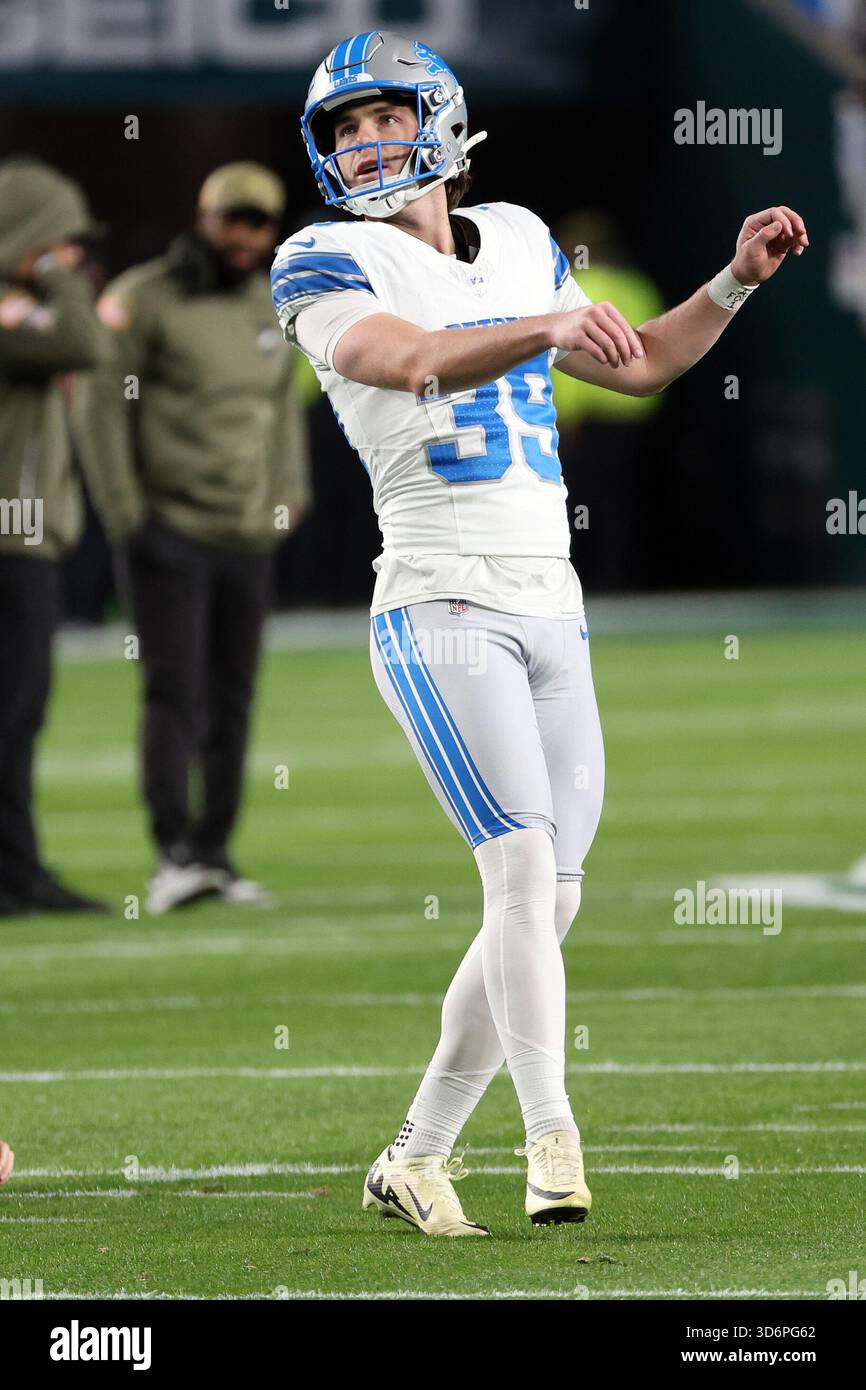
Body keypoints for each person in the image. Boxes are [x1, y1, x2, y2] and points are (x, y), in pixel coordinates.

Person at [271, 30, 809, 1235]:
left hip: (548, 602)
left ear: (444, 121)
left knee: (548, 898)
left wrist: (731, 282)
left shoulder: (515, 235)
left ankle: (414, 1154)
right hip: (436, 595)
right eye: (344, 126)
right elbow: (406, 362)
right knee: (515, 870)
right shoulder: (321, 255)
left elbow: (643, 360)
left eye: (382, 116)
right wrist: (543, 333)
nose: (363, 140)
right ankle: (550, 1135)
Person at [75, 163, 311, 915]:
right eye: (234, 220)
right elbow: (101, 408)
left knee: (234, 696)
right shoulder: (143, 298)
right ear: (204, 217)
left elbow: (281, 411)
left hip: (247, 528)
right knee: (174, 692)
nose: (246, 237)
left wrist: (290, 493)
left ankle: (214, 850)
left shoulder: (269, 302)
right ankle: (171, 855)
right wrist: (125, 513)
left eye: (260, 223)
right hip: (168, 526)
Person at [0, 156, 109, 919]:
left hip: (24, 537)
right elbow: (85, 342)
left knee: (18, 713)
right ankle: (16, 877)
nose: (75, 258)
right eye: (61, 240)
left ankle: (18, 870)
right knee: (13, 712)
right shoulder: (14, 307)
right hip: (10, 540)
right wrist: (51, 272)